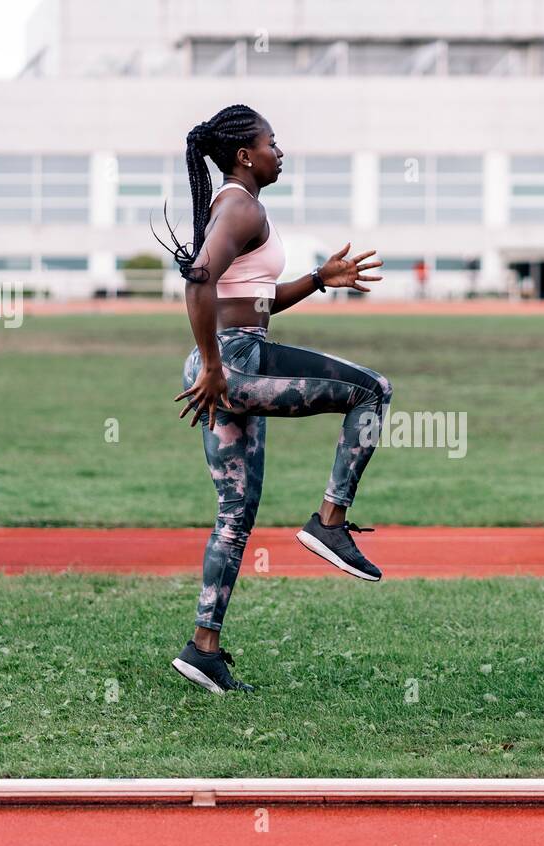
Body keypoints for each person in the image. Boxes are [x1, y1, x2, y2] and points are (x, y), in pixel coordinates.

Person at [154, 104, 392, 694]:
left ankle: (203, 649)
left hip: (230, 359)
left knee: (236, 512)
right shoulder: (240, 205)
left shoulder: (236, 207)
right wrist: (212, 365)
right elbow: (198, 279)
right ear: (244, 155)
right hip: (232, 364)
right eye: (272, 142)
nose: (279, 152)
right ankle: (330, 522)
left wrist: (317, 279)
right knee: (373, 389)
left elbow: (250, 300)